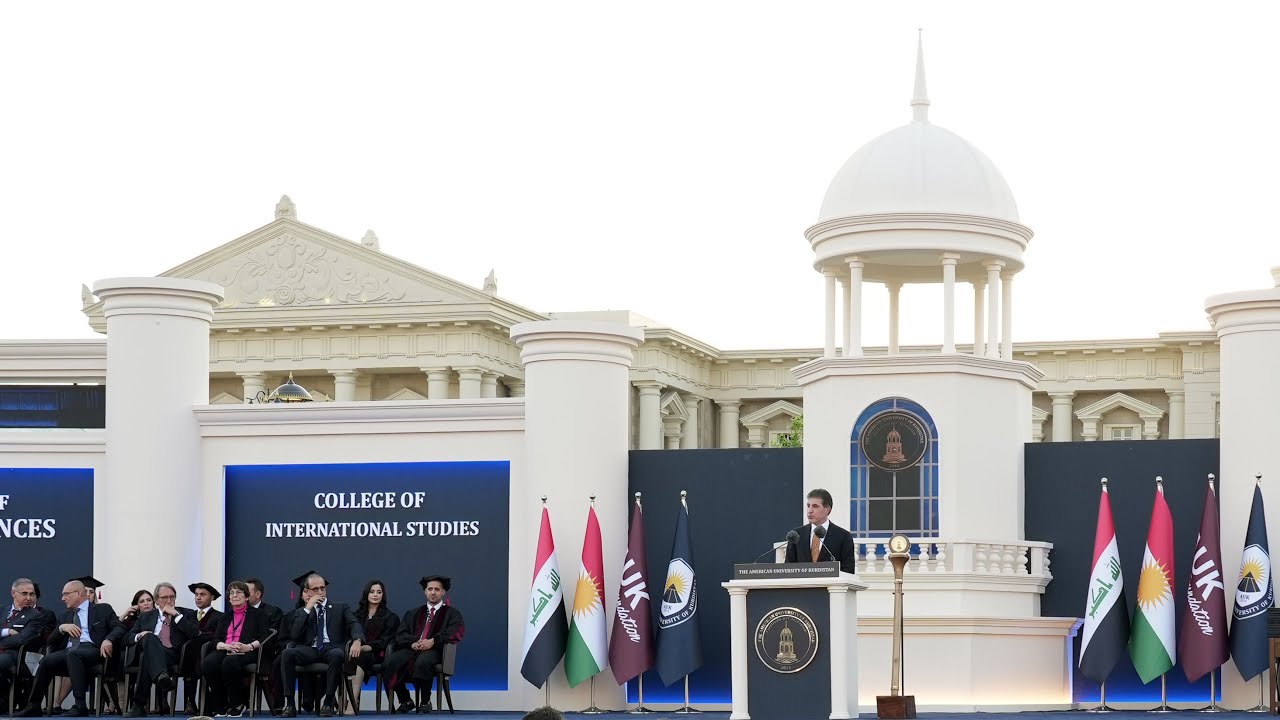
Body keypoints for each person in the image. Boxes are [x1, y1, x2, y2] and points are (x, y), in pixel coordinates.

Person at [15, 577, 125, 717]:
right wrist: (61, 628)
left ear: (78, 593)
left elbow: (119, 627)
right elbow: (50, 642)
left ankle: (80, 705)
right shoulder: (65, 616)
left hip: (93, 650)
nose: (62, 598)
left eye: (66, 594)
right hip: (70, 650)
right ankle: (34, 705)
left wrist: (108, 639)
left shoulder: (102, 609)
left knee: (74, 654)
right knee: (46, 660)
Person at [280, 573, 363, 718]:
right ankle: (290, 704)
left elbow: (354, 624)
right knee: (287, 654)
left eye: (322, 588)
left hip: (331, 648)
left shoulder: (340, 607)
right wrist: (308, 608)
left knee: (337, 654)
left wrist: (357, 640)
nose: (320, 592)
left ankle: (328, 703)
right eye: (316, 589)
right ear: (307, 591)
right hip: (310, 650)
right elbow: (295, 635)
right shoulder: (301, 612)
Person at [383, 576, 464, 714]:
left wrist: (433, 641)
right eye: (430, 589)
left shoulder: (451, 613)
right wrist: (413, 643)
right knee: (391, 661)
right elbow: (401, 634)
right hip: (412, 648)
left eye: (437, 589)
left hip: (436, 650)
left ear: (443, 592)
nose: (433, 592)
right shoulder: (413, 613)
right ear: (425, 592)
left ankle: (425, 701)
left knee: (423, 661)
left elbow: (456, 631)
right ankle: (405, 700)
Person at [123, 583, 197, 717]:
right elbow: (127, 638)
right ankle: (161, 676)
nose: (169, 601)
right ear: (156, 600)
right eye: (164, 598)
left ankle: (139, 706)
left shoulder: (186, 613)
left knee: (146, 656)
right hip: (152, 651)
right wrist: (140, 635)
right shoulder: (146, 616)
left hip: (173, 655)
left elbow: (194, 633)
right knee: (149, 639)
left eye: (172, 597)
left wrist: (176, 615)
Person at [199, 581, 268, 718]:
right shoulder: (225, 617)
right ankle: (221, 705)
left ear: (247, 597)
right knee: (209, 663)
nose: (234, 595)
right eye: (231, 593)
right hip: (226, 649)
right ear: (228, 597)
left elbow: (265, 637)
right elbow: (216, 639)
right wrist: (225, 645)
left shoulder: (258, 615)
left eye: (239, 592)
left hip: (246, 651)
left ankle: (237, 703)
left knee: (229, 663)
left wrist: (248, 646)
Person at [345, 580, 398, 715]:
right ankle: (341, 701)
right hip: (355, 652)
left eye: (379, 592)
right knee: (341, 656)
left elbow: (387, 640)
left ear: (383, 595)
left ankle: (351, 703)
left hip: (377, 654)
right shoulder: (356, 616)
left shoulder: (390, 617)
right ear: (366, 594)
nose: (375, 595)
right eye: (372, 592)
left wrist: (369, 647)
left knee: (360, 655)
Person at [784, 488, 857, 574]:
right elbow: (788, 569)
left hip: (830, 586)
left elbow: (848, 570)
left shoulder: (843, 536)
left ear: (827, 510)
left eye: (815, 506)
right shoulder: (796, 535)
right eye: (808, 506)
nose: (810, 511)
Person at [0, 578, 45, 709]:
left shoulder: (35, 615)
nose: (29, 598)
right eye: (24, 593)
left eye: (31, 594)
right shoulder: (1, 610)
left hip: (15, 655)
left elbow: (22, 639)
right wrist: (6, 631)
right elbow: (14, 636)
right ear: (13, 593)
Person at [180, 582, 223, 715]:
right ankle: (190, 701)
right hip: (190, 654)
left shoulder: (219, 616)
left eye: (203, 595)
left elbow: (215, 636)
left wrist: (199, 635)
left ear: (212, 597)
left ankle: (204, 704)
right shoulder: (189, 615)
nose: (198, 598)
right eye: (196, 594)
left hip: (209, 653)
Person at [245, 578, 284, 714]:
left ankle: (276, 705)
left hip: (265, 652)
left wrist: (252, 645)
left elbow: (274, 636)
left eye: (247, 592)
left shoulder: (273, 612)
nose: (243, 595)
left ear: (258, 594)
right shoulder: (239, 613)